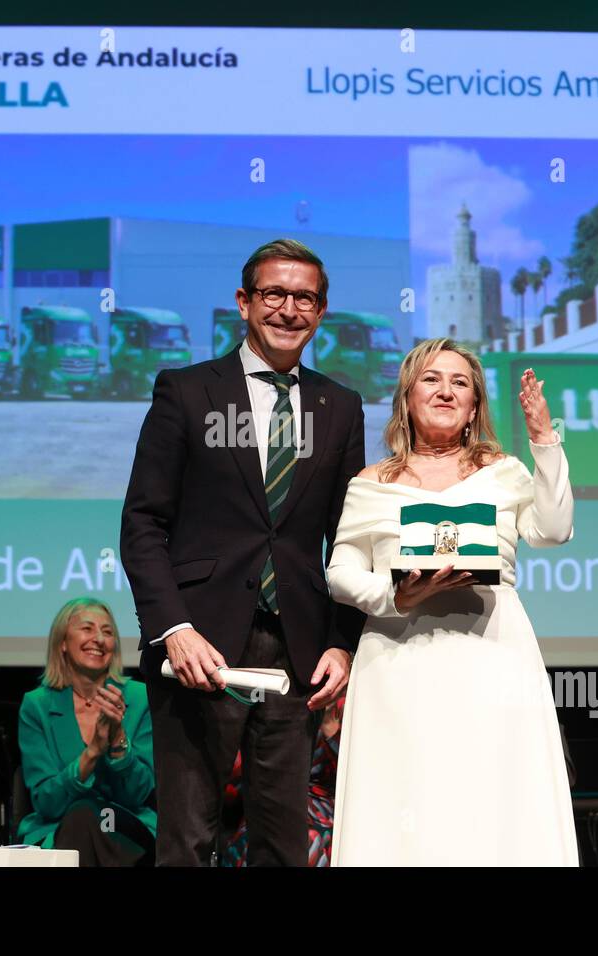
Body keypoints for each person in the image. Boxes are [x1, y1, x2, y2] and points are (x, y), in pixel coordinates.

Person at [120, 238, 367, 866]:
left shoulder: (339, 407)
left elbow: (350, 538)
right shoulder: (186, 391)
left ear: (322, 310)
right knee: (187, 839)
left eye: (304, 298)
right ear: (244, 302)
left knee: (284, 844)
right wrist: (173, 629)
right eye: (274, 294)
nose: (289, 309)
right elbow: (143, 524)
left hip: (299, 653)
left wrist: (342, 641)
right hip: (197, 648)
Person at [327, 338, 579, 865]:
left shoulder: (504, 471)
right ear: (407, 396)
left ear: (474, 405)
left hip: (492, 652)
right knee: (405, 794)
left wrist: (543, 438)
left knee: (493, 795)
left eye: (460, 382)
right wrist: (394, 596)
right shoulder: (370, 484)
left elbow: (553, 530)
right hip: (397, 658)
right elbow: (340, 573)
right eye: (432, 379)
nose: (445, 390)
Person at [17, 597, 156, 865]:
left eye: (107, 631)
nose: (99, 639)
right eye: (87, 628)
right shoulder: (37, 705)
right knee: (81, 814)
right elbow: (46, 802)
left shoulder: (139, 699)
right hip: (60, 830)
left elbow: (138, 794)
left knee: (85, 814)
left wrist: (117, 741)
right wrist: (92, 753)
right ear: (63, 643)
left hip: (127, 833)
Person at [219, 696, 345, 867]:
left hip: (329, 805)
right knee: (261, 835)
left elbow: (363, 782)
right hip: (271, 792)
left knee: (308, 840)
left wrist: (328, 725)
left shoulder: (353, 704)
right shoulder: (281, 695)